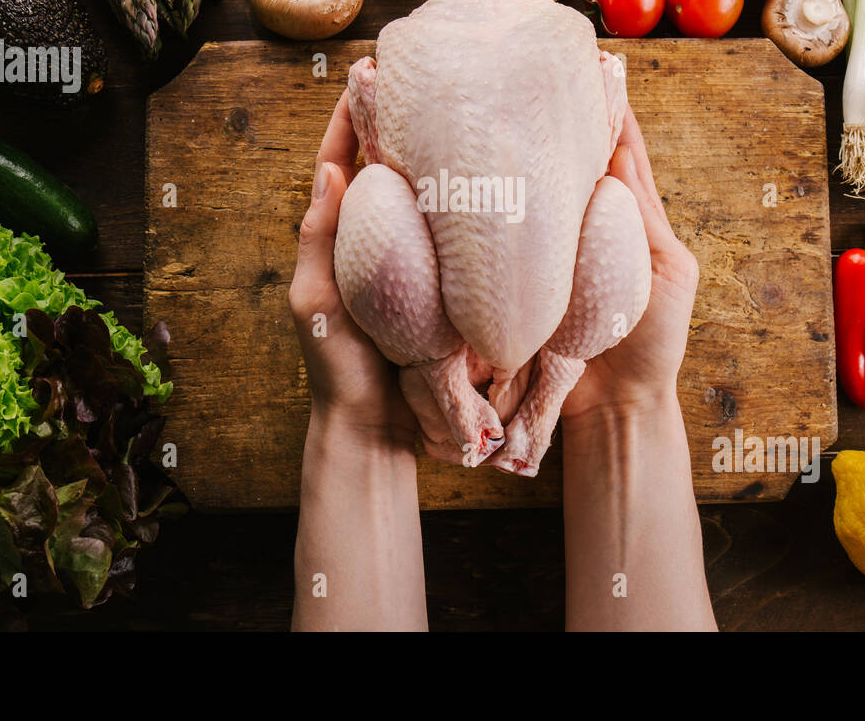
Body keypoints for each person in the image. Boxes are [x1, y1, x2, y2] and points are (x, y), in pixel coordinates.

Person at [289, 92, 716, 631]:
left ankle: (494, 383)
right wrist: (625, 404)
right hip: (530, 275)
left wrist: (360, 420)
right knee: (608, 200)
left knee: (376, 191)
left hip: (496, 281)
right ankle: (494, 383)